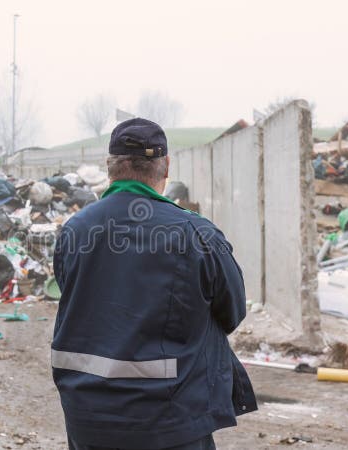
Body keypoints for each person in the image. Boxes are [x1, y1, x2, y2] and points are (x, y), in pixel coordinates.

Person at [51, 118, 256, 450]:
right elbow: (232, 311)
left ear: (110, 167)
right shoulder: (197, 234)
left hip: (87, 418)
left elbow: (74, 294)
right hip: (172, 423)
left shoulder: (74, 230)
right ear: (166, 167)